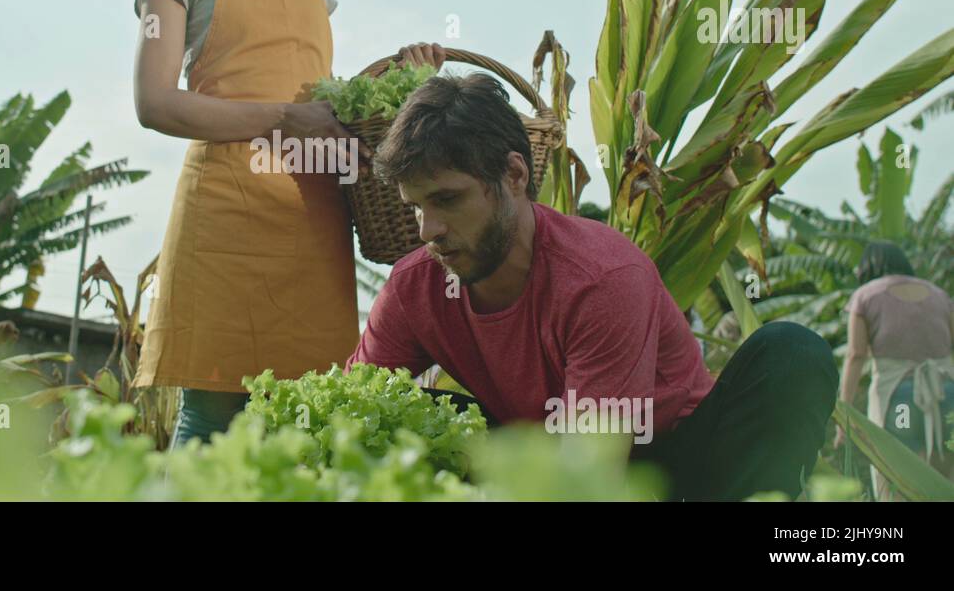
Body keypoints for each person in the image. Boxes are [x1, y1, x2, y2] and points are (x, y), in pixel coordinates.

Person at [345, 73, 839, 501]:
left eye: (447, 199)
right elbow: (352, 404)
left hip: (673, 467)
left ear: (515, 174)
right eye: (415, 206)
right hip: (547, 464)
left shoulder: (599, 279)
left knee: (791, 351)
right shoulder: (414, 287)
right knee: (426, 414)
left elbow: (593, 470)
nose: (428, 228)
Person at [132, 0, 447, 447]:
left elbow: (321, 96)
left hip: (311, 214)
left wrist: (397, 78)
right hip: (226, 214)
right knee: (216, 411)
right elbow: (155, 101)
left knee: (301, 413)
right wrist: (280, 116)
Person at [836, 241, 954, 501]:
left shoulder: (866, 295)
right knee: (946, 484)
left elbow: (856, 355)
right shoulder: (938, 294)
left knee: (897, 481)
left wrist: (844, 419)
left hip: (900, 400)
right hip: (948, 395)